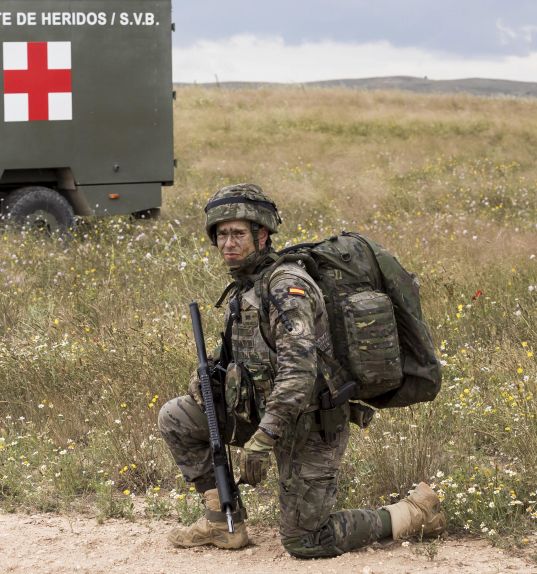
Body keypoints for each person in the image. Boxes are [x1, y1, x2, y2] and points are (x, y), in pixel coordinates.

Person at [158, 183, 445, 557]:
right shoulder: (246, 287)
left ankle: (414, 513)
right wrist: (208, 378)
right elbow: (244, 356)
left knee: (306, 541)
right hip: (264, 413)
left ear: (262, 235)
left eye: (238, 234)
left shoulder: (286, 286)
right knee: (176, 417)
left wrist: (263, 438)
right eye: (221, 235)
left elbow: (299, 372)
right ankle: (222, 523)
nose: (228, 244)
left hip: (311, 426)